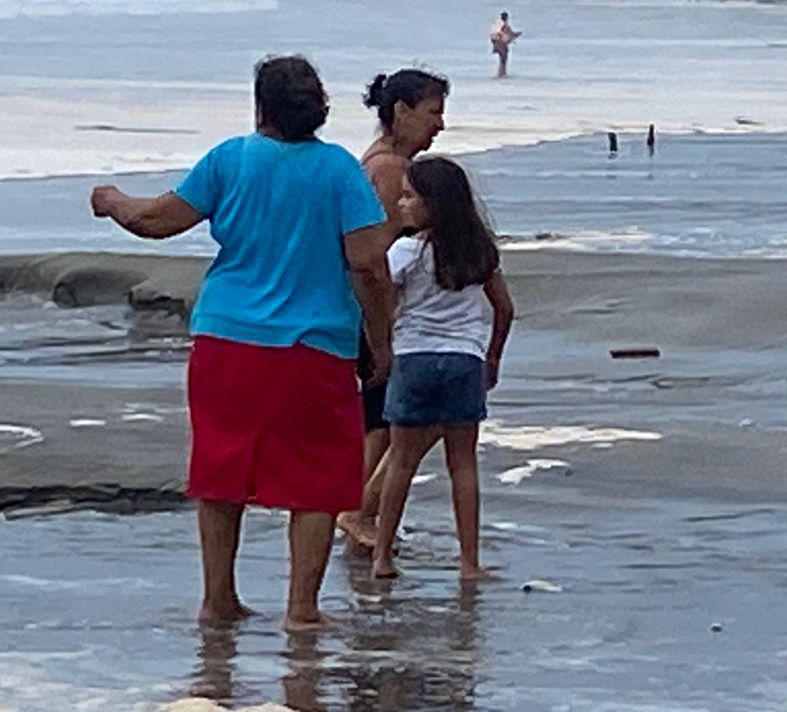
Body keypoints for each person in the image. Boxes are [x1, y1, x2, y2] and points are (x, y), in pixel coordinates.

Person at [90, 55, 392, 630]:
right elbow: (367, 263)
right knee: (317, 479)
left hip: (226, 338)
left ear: (260, 106)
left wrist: (112, 201)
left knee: (222, 469)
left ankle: (219, 599)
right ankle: (301, 609)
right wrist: (381, 340)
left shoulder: (230, 159)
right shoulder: (337, 170)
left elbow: (156, 220)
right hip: (313, 343)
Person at [371, 155, 516, 581]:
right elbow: (504, 309)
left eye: (409, 196)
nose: (401, 203)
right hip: (464, 359)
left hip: (414, 358)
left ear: (433, 204)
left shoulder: (405, 251)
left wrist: (380, 342)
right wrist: (493, 356)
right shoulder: (479, 251)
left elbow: (385, 301)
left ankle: (382, 556)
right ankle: (469, 561)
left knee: (401, 461)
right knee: (463, 464)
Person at [338, 69, 451, 550]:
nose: (439, 126)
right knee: (386, 425)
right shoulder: (388, 170)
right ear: (400, 112)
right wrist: (384, 326)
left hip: (376, 312)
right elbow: (376, 254)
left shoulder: (380, 162)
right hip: (381, 313)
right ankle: (357, 513)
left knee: (383, 423)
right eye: (432, 114)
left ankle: (362, 514)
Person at [489, 12, 521, 79]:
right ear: (506, 18)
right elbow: (510, 34)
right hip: (502, 45)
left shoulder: (497, 25)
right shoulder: (505, 26)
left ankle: (500, 74)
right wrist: (517, 34)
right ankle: (502, 74)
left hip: (496, 44)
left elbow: (493, 35)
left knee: (501, 60)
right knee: (503, 60)